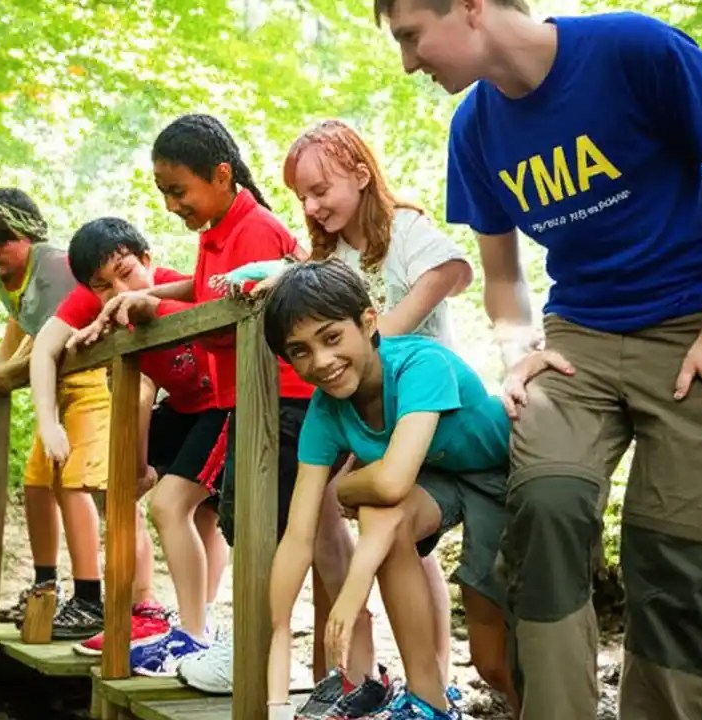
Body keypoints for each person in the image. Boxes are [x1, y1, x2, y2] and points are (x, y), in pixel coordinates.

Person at [373, 1, 702, 717]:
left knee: (675, 556)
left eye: (411, 36)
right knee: (546, 504)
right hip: (579, 341)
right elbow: (501, 273)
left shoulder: (635, 50)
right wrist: (515, 350)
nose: (409, 61)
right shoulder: (474, 129)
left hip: (699, 323)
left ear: (471, 7)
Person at [70, 113, 320, 695]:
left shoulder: (252, 228)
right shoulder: (217, 232)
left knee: (255, 523)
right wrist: (146, 294)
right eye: (163, 193)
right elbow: (206, 289)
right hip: (252, 401)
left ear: (221, 174)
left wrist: (155, 309)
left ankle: (245, 647)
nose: (171, 205)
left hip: (275, 398)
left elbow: (226, 317)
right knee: (246, 520)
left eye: (178, 190)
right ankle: (240, 643)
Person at [278, 119, 478, 718]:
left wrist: (371, 342)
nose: (312, 206)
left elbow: (452, 272)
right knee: (369, 530)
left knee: (409, 544)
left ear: (362, 175)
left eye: (321, 190)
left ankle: (437, 684)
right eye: (302, 197)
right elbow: (299, 289)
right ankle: (391, 681)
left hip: (423, 412)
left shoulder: (406, 229)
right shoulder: (330, 251)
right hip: (368, 418)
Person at [262, 260, 517, 720]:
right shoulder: (325, 413)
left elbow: (393, 479)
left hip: (503, 477)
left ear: (367, 320)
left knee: (494, 662)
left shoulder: (421, 364)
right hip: (438, 478)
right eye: (299, 351)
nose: (320, 361)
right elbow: (298, 536)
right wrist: (277, 646)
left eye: (332, 337)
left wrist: (344, 493)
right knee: (381, 511)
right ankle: (428, 702)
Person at [30, 216, 228, 673]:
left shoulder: (177, 288)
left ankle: (197, 628)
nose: (118, 290)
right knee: (141, 492)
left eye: (127, 273)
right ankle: (186, 620)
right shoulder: (92, 298)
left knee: (184, 509)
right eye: (103, 285)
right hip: (178, 411)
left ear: (147, 260)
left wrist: (144, 471)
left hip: (221, 405)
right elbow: (46, 349)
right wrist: (48, 423)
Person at [0, 188, 119, 640]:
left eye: (0, 240)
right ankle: (45, 588)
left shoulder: (54, 266)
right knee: (37, 481)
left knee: (74, 481)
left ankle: (90, 599)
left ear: (26, 232)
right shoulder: (6, 275)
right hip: (51, 385)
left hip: (91, 379)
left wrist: (7, 374)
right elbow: (20, 322)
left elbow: (54, 339)